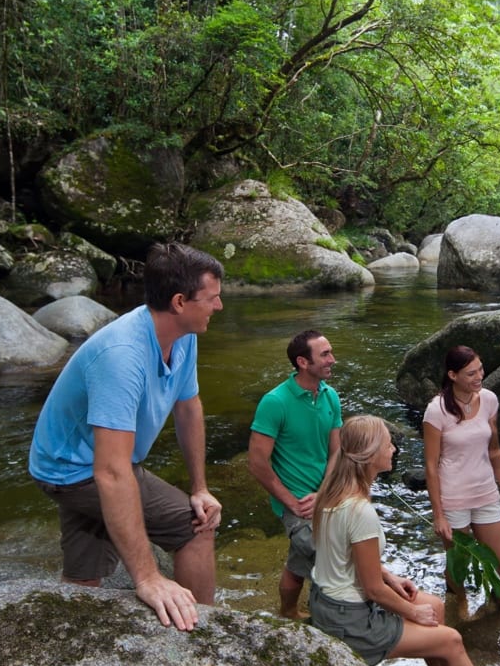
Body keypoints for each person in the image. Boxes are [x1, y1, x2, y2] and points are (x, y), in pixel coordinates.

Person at [28, 243, 225, 631]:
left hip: (71, 460)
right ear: (180, 302)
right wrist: (148, 579)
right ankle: (207, 633)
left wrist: (200, 486)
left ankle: (74, 626)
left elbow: (189, 408)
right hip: (75, 469)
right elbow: (113, 473)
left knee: (84, 581)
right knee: (195, 527)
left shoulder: (184, 335)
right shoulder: (122, 355)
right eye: (213, 299)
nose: (218, 307)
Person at [310, 415, 500, 666]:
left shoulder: (332, 494)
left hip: (329, 601)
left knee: (436, 606)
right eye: (388, 443)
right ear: (370, 455)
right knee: (450, 639)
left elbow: (344, 558)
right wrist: (412, 614)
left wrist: (390, 576)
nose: (394, 449)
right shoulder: (360, 510)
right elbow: (372, 590)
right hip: (350, 620)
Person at [248, 329, 343, 618]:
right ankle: (336, 619)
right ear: (303, 362)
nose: (333, 360)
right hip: (297, 504)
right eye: (325, 355)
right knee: (328, 558)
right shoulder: (275, 402)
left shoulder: (330, 396)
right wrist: (290, 502)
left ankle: (287, 612)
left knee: (298, 560)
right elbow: (257, 462)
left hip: (326, 493)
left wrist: (326, 492)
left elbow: (336, 452)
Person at [422, 345, 500, 593]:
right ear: (453, 375)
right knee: (458, 569)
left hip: (485, 493)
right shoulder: (436, 410)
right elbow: (431, 466)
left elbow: (495, 451)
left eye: (480, 370)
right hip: (453, 499)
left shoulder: (489, 400)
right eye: (471, 373)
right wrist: (439, 514)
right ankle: (459, 615)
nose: (479, 377)